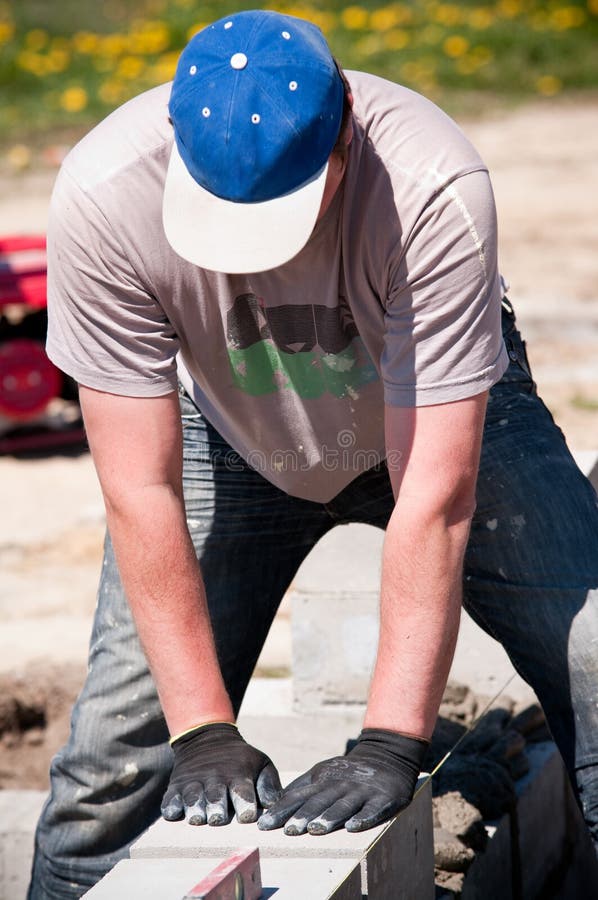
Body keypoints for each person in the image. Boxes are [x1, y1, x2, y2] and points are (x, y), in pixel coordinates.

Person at [29, 9, 598, 898]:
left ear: (342, 144)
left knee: (594, 653)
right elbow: (140, 488)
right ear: (176, 142)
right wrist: (202, 729)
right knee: (112, 766)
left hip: (431, 424)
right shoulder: (105, 195)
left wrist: (391, 741)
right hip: (227, 423)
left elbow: (435, 498)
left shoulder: (428, 184)